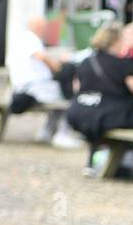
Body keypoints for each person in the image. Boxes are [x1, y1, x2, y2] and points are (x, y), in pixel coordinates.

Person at [66, 21, 133, 184]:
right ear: (115, 41)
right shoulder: (121, 65)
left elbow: (76, 86)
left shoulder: (86, 61)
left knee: (103, 121)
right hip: (107, 115)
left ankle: (92, 164)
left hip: (80, 112)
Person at [6, 16, 84, 148]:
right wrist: (57, 66)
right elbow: (41, 56)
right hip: (34, 87)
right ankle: (62, 134)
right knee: (69, 96)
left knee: (60, 93)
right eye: (45, 27)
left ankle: (47, 131)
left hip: (26, 87)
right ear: (39, 27)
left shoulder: (21, 39)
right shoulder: (30, 39)